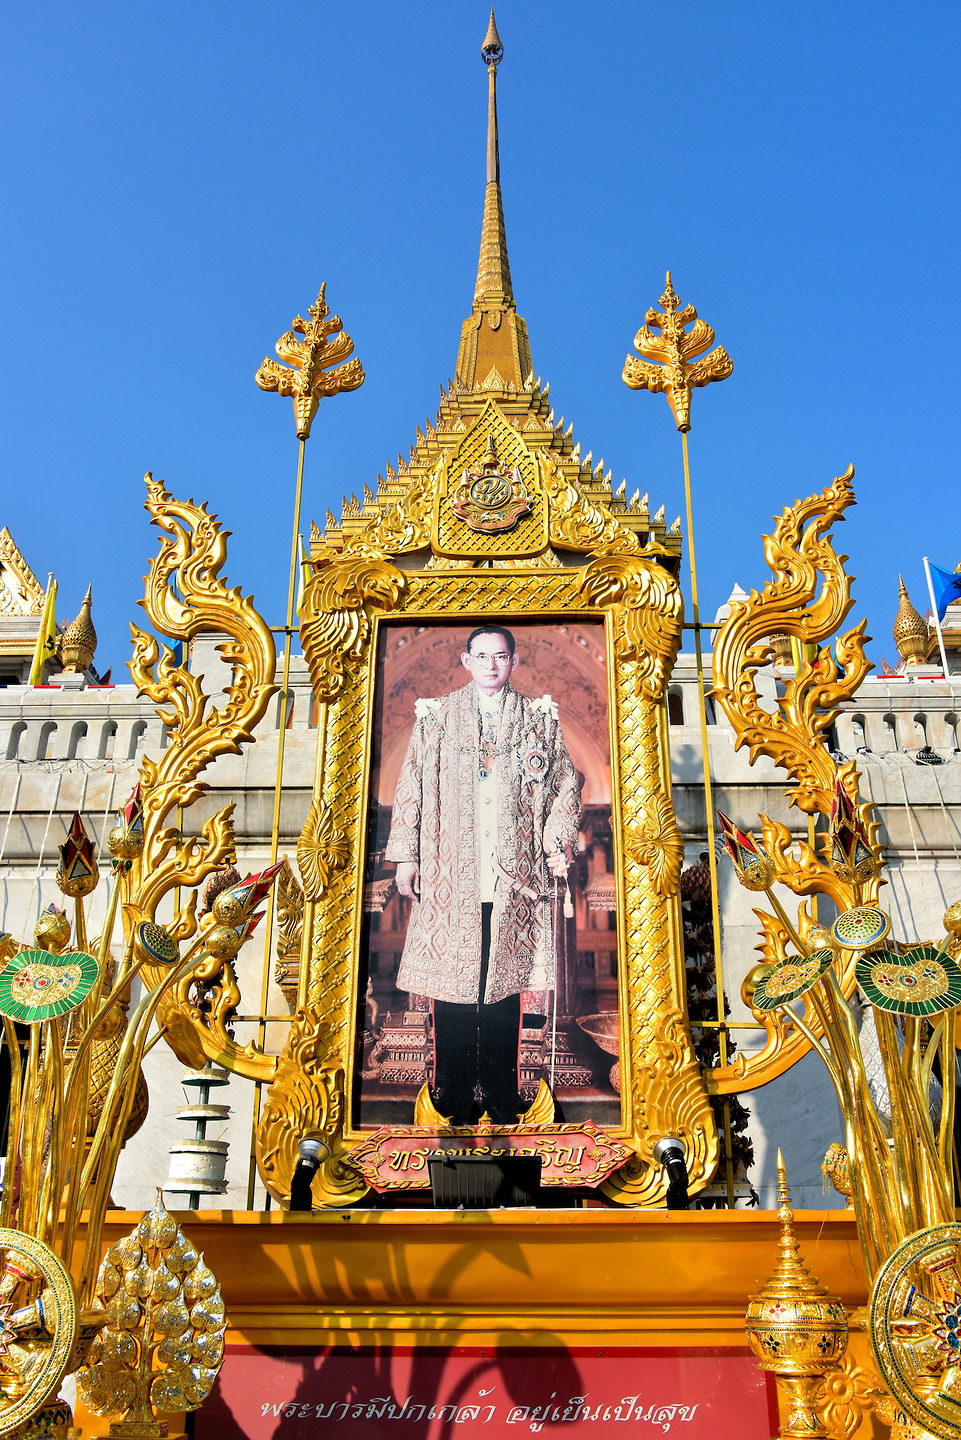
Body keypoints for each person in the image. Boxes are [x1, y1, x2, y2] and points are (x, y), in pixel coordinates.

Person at [384, 625, 580, 1124]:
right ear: (466, 660)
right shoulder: (437, 716)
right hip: (451, 870)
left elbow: (565, 787)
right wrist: (406, 856)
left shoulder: (539, 718)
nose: (492, 665)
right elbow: (411, 786)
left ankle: (499, 1093)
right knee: (454, 985)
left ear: (515, 661)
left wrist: (557, 839)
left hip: (515, 875)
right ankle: (450, 1095)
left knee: (503, 986)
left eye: (502, 656)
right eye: (483, 655)